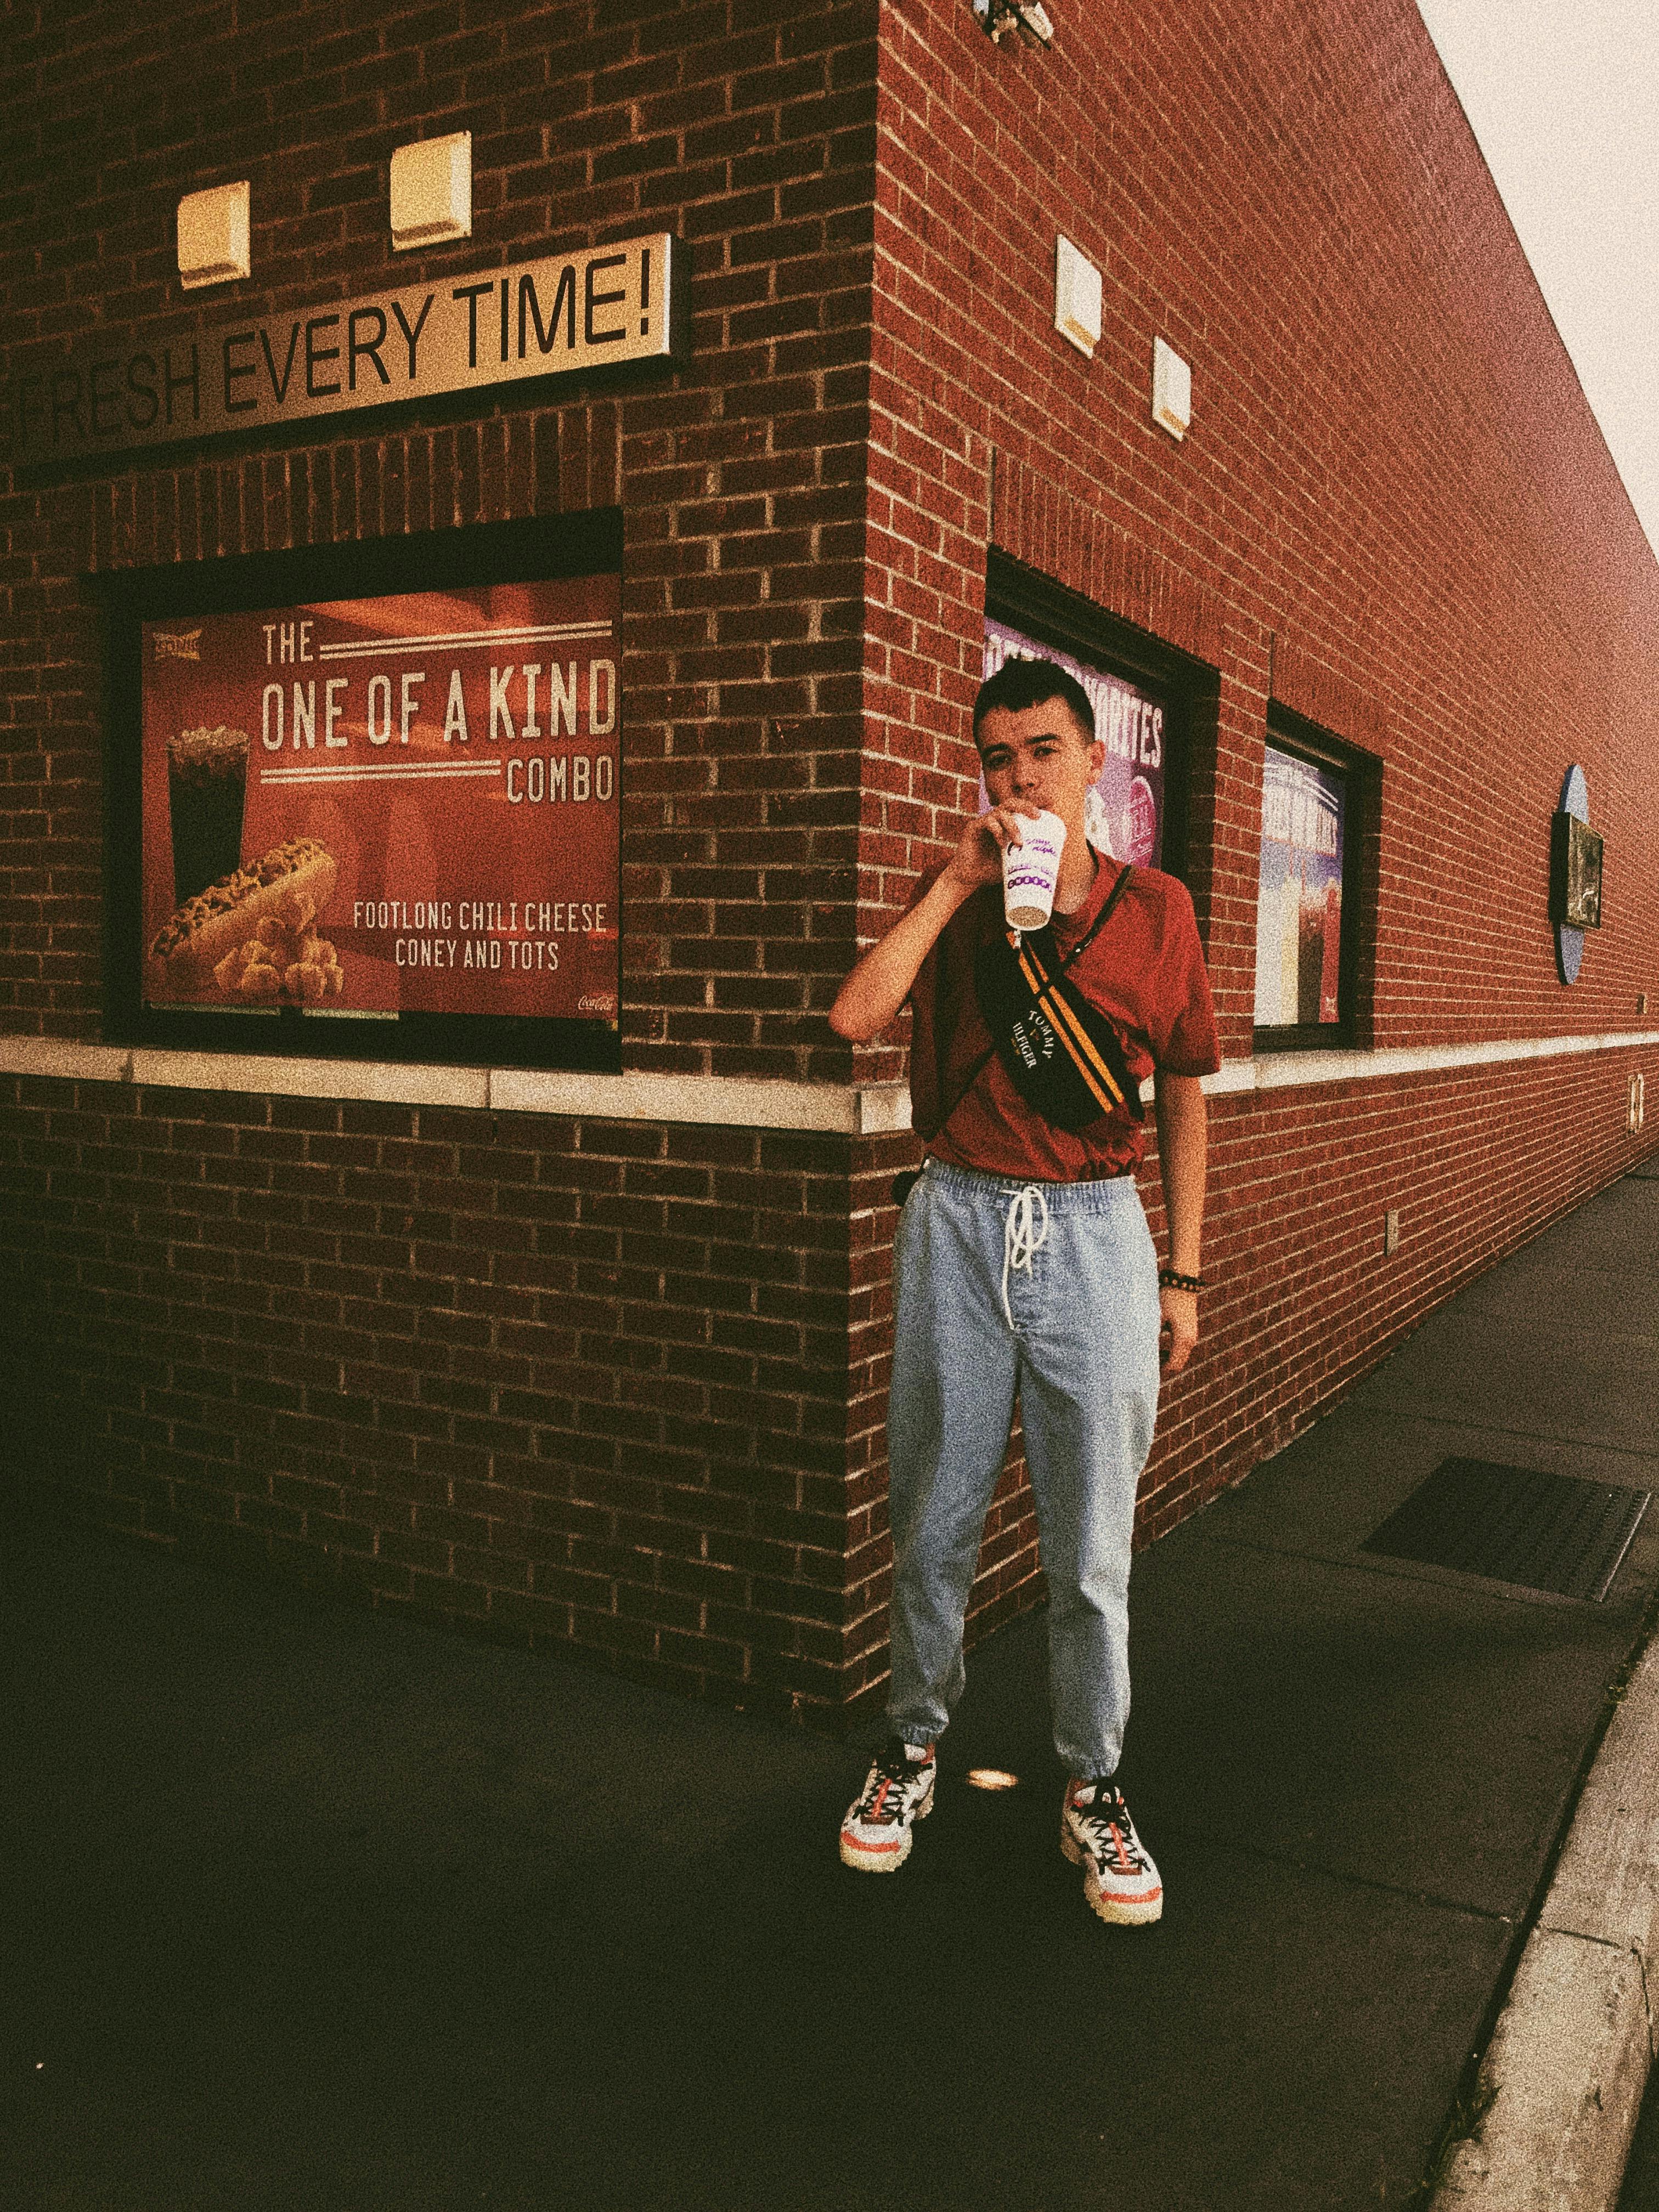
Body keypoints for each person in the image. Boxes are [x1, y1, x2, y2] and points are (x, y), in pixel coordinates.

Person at [829, 653, 1219, 1925]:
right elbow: (854, 1018)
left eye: (1043, 751)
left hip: (1099, 1230)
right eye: (997, 758)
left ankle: (1093, 1785)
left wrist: (1183, 1270)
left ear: (1096, 761)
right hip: (957, 1214)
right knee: (933, 1515)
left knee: (1091, 1544)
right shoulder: (957, 896)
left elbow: (1185, 1096)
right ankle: (910, 1749)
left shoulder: (1158, 911)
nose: (1019, 779)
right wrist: (956, 882)